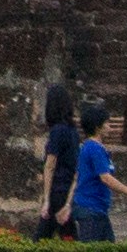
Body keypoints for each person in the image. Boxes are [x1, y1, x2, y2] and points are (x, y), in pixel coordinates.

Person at [35, 83, 82, 240]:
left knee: (42, 237)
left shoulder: (57, 132)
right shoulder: (72, 131)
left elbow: (49, 167)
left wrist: (46, 199)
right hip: (67, 188)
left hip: (57, 190)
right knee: (67, 235)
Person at [68, 106, 120, 243]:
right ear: (98, 127)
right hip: (90, 208)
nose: (109, 127)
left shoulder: (91, 147)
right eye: (107, 123)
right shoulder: (94, 149)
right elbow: (106, 178)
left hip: (97, 208)